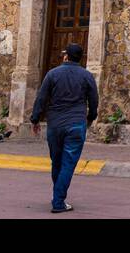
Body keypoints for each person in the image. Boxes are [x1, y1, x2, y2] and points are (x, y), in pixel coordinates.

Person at [29, 43, 99, 213]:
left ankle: (58, 197)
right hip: (76, 125)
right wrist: (90, 118)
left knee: (57, 162)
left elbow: (42, 98)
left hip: (55, 125)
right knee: (68, 164)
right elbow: (94, 101)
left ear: (66, 56)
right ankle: (59, 201)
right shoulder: (87, 76)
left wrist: (35, 119)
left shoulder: (52, 74)